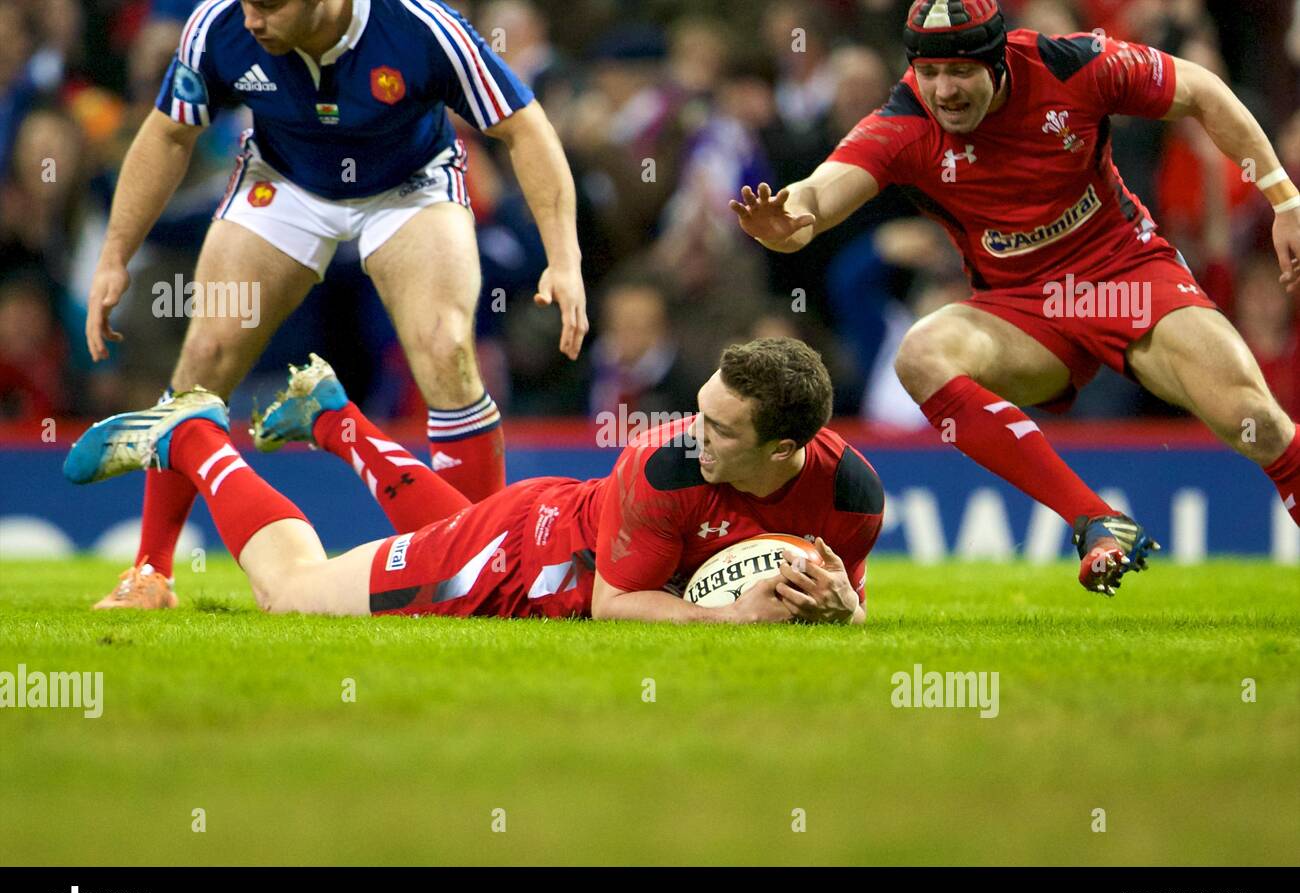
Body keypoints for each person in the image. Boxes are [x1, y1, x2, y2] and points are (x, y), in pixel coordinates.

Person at [730, 0, 1300, 595]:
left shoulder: (1071, 65)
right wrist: (790, 217)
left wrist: (1284, 200)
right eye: (929, 73)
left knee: (1256, 422)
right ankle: (1095, 520)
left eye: (960, 72)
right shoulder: (904, 123)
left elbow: (1203, 90)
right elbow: (822, 191)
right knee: (920, 353)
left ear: (998, 61)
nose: (944, 90)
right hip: (1025, 311)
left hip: (1127, 276)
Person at [83, 0, 587, 608]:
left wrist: (564, 260)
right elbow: (169, 132)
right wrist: (114, 255)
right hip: (284, 182)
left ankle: (485, 567)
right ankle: (149, 573)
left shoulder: (421, 28)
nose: (251, 20)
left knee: (444, 346)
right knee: (206, 354)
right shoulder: (217, 27)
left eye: (269, 5)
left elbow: (523, 125)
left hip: (409, 185)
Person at [64, 338, 884, 624]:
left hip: (547, 532)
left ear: (787, 452)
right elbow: (616, 605)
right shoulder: (665, 467)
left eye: (720, 429)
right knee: (291, 591)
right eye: (698, 412)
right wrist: (737, 621)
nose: (690, 433)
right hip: (518, 561)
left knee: (444, 523)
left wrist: (845, 610)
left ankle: (334, 419)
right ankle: (198, 438)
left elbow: (846, 594)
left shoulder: (853, 497)